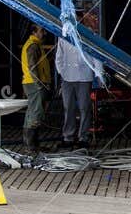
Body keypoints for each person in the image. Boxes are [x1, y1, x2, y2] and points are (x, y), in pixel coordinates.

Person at [55, 9, 101, 150]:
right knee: (68, 108)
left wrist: (98, 74)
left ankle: (83, 137)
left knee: (84, 108)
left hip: (84, 76)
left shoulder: (89, 35)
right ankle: (68, 137)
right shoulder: (64, 35)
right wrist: (62, 72)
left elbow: (95, 56)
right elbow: (59, 57)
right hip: (68, 77)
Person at [19, 24, 55, 153]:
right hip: (35, 84)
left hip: (32, 83)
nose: (44, 33)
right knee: (36, 113)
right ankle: (31, 146)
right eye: (41, 30)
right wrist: (39, 84)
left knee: (32, 113)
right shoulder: (33, 46)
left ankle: (32, 145)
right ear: (34, 32)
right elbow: (32, 66)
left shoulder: (35, 44)